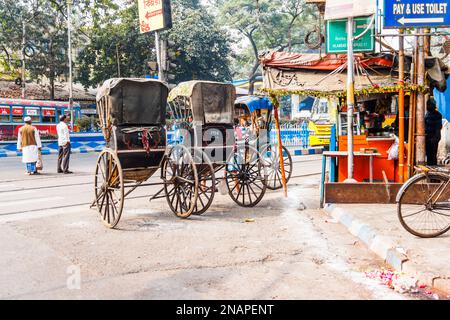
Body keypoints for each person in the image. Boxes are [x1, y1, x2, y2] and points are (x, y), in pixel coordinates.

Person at [425, 97, 443, 166]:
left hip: (434, 137)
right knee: (429, 154)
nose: (428, 106)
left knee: (432, 154)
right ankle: (431, 166)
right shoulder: (427, 114)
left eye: (429, 105)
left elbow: (438, 127)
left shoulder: (437, 115)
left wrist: (435, 138)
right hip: (428, 137)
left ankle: (433, 167)